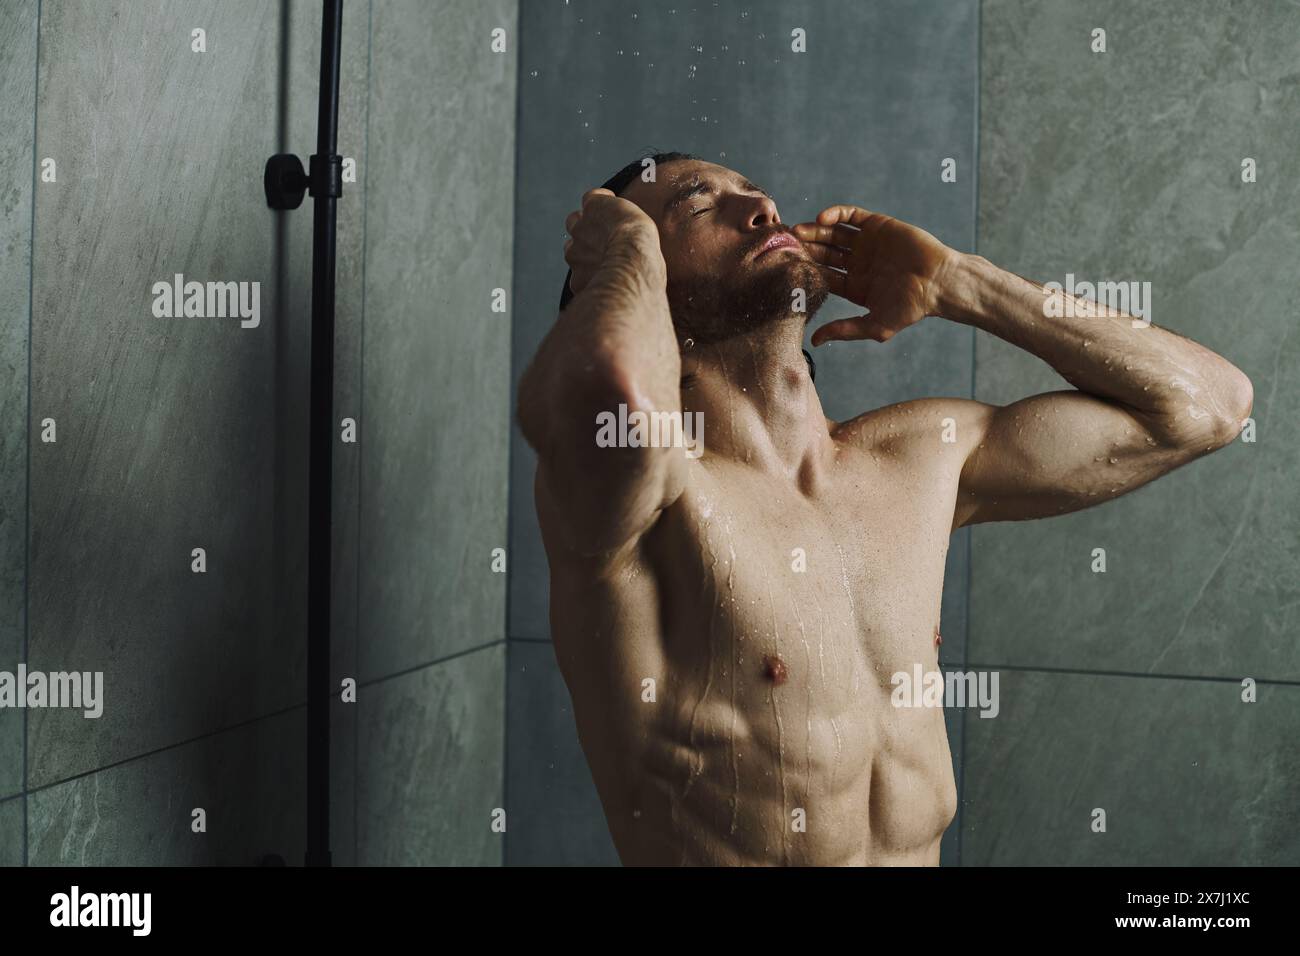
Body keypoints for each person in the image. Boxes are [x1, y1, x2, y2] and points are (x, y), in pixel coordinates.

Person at [517, 152, 1253, 866]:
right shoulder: (640, 496)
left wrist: (959, 283)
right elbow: (608, 391)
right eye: (702, 205)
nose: (762, 210)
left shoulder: (920, 460)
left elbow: (1207, 409)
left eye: (755, 191)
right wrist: (625, 258)